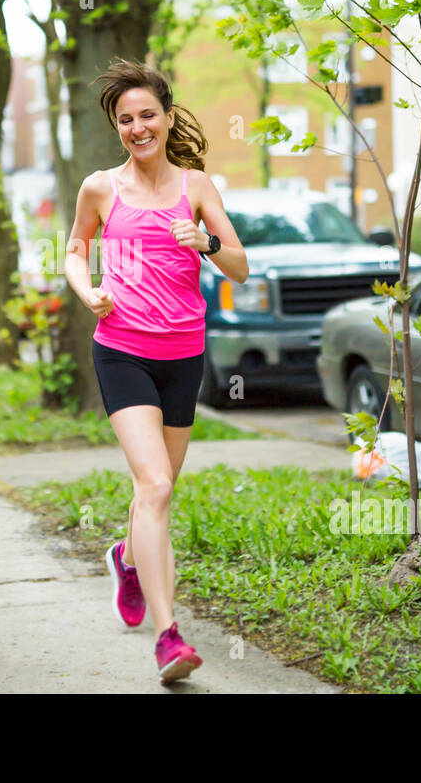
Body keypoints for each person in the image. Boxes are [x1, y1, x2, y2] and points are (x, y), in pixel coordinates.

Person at [64, 59, 249, 684]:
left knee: (157, 490)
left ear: (168, 119)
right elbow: (75, 248)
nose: (138, 127)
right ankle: (169, 637)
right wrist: (86, 289)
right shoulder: (100, 188)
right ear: (116, 128)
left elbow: (242, 267)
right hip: (121, 351)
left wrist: (208, 245)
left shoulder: (197, 188)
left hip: (183, 356)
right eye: (126, 120)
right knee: (158, 487)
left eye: (147, 115)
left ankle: (126, 555)